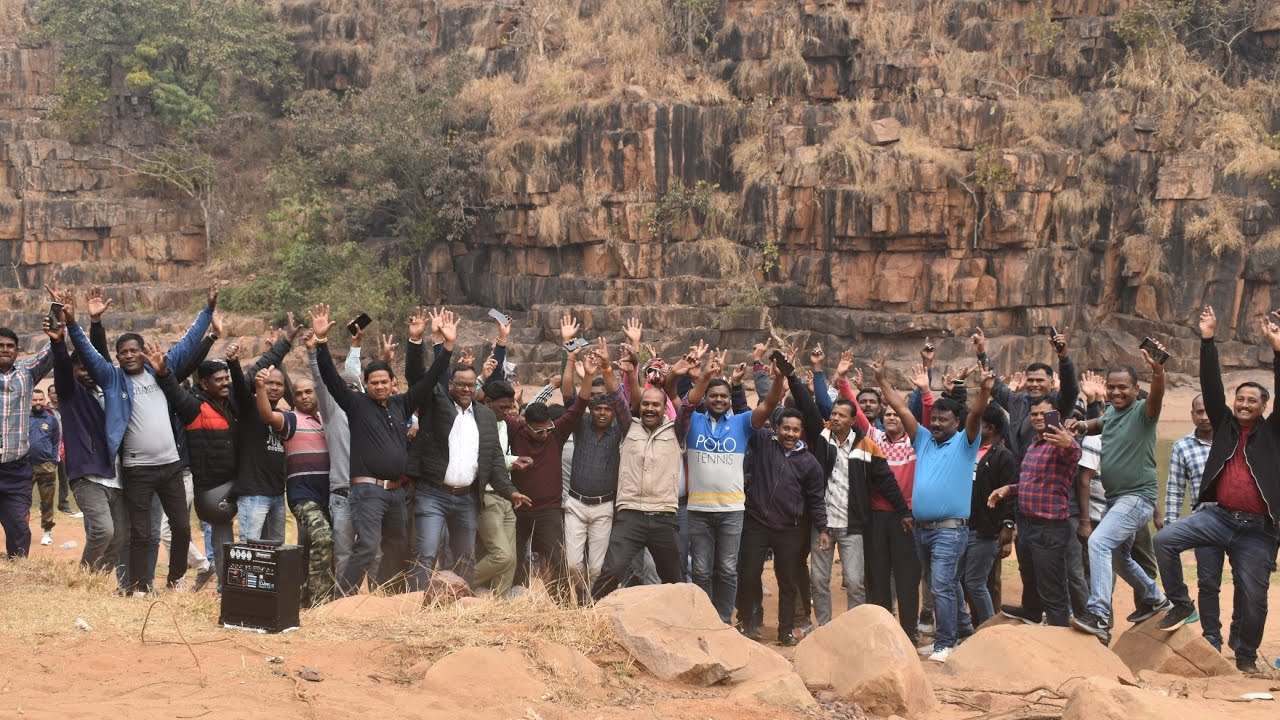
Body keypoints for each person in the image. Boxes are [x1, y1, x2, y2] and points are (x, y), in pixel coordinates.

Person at [63, 284, 215, 593]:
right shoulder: (113, 378)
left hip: (171, 466)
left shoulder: (161, 370)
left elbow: (187, 344)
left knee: (183, 527)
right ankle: (138, 585)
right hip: (137, 470)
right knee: (142, 533)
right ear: (118, 358)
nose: (130, 355)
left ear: (144, 352)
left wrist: (208, 310)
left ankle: (174, 580)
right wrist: (77, 323)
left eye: (135, 350)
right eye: (124, 353)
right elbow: (92, 356)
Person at [1152, 308, 1280, 674]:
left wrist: (1278, 350)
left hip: (1257, 529)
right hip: (1217, 517)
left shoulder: (1272, 434)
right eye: (1240, 399)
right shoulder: (1223, 424)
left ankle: (1244, 655)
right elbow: (1210, 385)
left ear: (1264, 407)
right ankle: (1180, 603)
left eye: (1251, 401)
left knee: (1254, 597)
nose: (1243, 404)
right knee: (1165, 541)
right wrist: (1207, 340)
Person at [312, 303, 455, 596]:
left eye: (384, 382)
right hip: (368, 491)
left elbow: (428, 381)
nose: (379, 387)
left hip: (396, 492)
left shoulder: (401, 404)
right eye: (373, 382)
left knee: (397, 545)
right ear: (366, 384)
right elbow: (329, 377)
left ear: (392, 384)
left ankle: (388, 598)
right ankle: (343, 599)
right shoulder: (355, 404)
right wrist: (322, 342)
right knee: (366, 546)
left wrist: (448, 347)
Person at [875, 358, 993, 663]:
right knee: (945, 583)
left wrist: (984, 390)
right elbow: (901, 409)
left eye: (943, 420)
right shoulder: (924, 440)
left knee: (940, 585)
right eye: (934, 419)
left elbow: (977, 413)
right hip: (922, 530)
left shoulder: (966, 443)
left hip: (950, 530)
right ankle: (964, 629)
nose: (937, 424)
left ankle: (944, 643)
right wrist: (881, 379)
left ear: (956, 422)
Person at [407, 308, 529, 590]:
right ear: (450, 385)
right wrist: (419, 343)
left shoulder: (485, 417)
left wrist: (511, 491)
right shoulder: (436, 406)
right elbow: (417, 379)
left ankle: (456, 607)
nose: (465, 389)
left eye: (470, 385)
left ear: (477, 387)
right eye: (459, 384)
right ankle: (413, 607)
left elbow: (495, 463)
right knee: (425, 553)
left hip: (466, 499)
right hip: (433, 494)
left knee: (465, 558)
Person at [672, 347, 783, 624]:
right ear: (706, 398)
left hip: (732, 510)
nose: (719, 399)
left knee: (727, 569)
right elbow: (678, 398)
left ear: (729, 400)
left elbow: (768, 405)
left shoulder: (742, 423)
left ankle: (723, 621)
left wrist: (779, 380)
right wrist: (703, 378)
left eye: (723, 396)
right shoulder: (692, 421)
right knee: (700, 570)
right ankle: (702, 619)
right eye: (713, 395)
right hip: (698, 510)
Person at [1069, 343, 1171, 645]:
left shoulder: (1144, 412)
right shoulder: (1112, 413)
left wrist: (1158, 370)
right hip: (1119, 500)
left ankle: (1098, 614)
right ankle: (1155, 599)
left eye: (1123, 388)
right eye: (1111, 387)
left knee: (1098, 542)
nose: (1116, 392)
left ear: (1135, 389)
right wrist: (1080, 425)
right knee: (1119, 557)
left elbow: (1158, 395)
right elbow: (1100, 423)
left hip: (1137, 497)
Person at [836, 362, 926, 643]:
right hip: (876, 517)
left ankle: (909, 632)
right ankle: (883, 633)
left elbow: (911, 411)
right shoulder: (873, 439)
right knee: (877, 577)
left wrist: (885, 381)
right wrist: (843, 382)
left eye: (895, 415)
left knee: (907, 578)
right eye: (887, 415)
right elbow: (858, 413)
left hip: (905, 518)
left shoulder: (914, 442)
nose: (891, 418)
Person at [735, 396, 828, 646]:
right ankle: (746, 622)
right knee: (748, 574)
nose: (790, 434)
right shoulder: (764, 442)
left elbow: (816, 500)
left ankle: (785, 631)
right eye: (786, 428)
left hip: (789, 529)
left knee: (788, 582)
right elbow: (749, 414)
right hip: (756, 522)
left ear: (801, 432)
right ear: (777, 429)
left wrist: (822, 528)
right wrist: (736, 388)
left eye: (795, 430)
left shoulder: (810, 463)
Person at [508, 353, 595, 604]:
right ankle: (517, 599)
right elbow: (504, 413)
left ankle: (563, 604)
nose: (546, 433)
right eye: (540, 430)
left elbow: (579, 406)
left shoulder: (556, 433)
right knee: (514, 555)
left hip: (549, 510)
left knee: (557, 558)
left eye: (548, 427)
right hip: (519, 507)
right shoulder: (516, 430)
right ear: (526, 426)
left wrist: (587, 376)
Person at [989, 397, 1082, 627]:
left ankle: (1058, 628)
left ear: (1056, 417)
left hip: (1049, 527)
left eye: (1044, 414)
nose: (1038, 418)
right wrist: (1008, 490)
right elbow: (1031, 483)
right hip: (1028, 523)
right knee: (1028, 574)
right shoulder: (1033, 445)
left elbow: (1074, 454)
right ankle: (1030, 611)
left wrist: (1067, 442)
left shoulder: (1060, 444)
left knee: (1051, 584)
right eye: (1034, 414)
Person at [154, 345, 236, 592]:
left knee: (174, 528)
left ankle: (218, 574)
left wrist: (284, 344)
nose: (225, 383)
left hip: (232, 482)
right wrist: (163, 373)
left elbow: (250, 378)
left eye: (227, 379)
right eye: (218, 380)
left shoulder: (233, 404)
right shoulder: (192, 407)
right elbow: (173, 390)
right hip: (197, 480)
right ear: (203, 385)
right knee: (173, 528)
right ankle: (210, 573)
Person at [590, 386, 685, 600]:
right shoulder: (628, 427)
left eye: (655, 405)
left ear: (664, 408)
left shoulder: (676, 431)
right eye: (645, 404)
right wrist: (606, 367)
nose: (649, 409)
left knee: (674, 577)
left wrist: (703, 378)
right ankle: (588, 618)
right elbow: (616, 396)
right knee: (612, 571)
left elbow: (688, 407)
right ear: (639, 407)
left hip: (663, 516)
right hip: (630, 515)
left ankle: (681, 625)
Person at [255, 361, 334, 606]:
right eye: (298, 393)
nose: (303, 396)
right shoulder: (290, 420)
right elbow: (267, 415)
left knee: (311, 545)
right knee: (323, 537)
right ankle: (320, 600)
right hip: (302, 495)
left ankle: (300, 598)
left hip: (330, 495)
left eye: (308, 391)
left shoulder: (328, 420)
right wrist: (260, 387)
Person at [49, 316, 121, 571]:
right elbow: (62, 370)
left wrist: (97, 323)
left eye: (92, 368)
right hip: (88, 475)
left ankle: (97, 581)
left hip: (118, 475)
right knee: (103, 530)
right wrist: (59, 343)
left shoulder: (112, 393)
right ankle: (83, 576)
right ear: (74, 371)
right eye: (81, 368)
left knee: (119, 537)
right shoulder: (71, 395)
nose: (88, 373)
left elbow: (103, 359)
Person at [563, 338, 630, 596]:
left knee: (597, 568)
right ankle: (581, 597)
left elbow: (624, 402)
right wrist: (580, 369)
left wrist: (606, 369)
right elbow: (570, 396)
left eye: (607, 409)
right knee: (572, 564)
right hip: (576, 505)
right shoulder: (581, 426)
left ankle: (591, 609)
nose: (602, 413)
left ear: (613, 412)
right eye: (597, 409)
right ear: (590, 411)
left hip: (604, 507)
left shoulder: (621, 431)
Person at [305, 322, 365, 580]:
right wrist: (313, 351)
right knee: (342, 553)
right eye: (346, 389)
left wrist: (356, 348)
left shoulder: (369, 414)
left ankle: (372, 603)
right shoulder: (332, 412)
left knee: (372, 552)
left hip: (370, 493)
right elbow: (321, 381)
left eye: (355, 389)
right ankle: (342, 602)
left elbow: (355, 373)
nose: (350, 393)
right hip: (341, 494)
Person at [231, 325, 299, 542]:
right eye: (269, 383)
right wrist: (233, 363)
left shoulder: (282, 416)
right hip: (253, 494)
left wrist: (284, 345)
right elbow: (240, 388)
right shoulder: (248, 407)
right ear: (260, 384)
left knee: (275, 554)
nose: (274, 388)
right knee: (250, 552)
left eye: (279, 385)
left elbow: (294, 396)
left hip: (278, 494)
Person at [971, 327, 1080, 461]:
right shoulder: (1017, 401)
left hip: (1048, 470)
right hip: (1018, 473)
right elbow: (995, 384)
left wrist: (1064, 358)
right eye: (1031, 380)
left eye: (1040, 380)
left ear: (1052, 383)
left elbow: (1071, 389)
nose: (1034, 384)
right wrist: (981, 352)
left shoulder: (1058, 404)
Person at [964, 405, 1017, 629]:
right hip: (964, 526)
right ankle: (966, 626)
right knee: (962, 581)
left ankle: (988, 629)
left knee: (977, 582)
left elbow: (1010, 495)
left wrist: (1008, 526)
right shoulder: (969, 450)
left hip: (987, 529)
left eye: (979, 422)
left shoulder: (1003, 456)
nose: (973, 426)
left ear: (991, 427)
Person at [473, 380, 523, 596]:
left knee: (510, 559)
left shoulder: (504, 425)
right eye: (502, 407)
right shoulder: (474, 424)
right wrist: (514, 460)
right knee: (501, 555)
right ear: (487, 402)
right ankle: (459, 584)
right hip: (487, 495)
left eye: (510, 407)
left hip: (506, 496)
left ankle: (499, 605)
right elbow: (486, 459)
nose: (507, 412)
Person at [28, 387, 61, 547]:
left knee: (47, 501)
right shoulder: (23, 418)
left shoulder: (51, 419)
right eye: (34, 400)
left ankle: (47, 532)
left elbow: (56, 440)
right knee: (21, 501)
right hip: (25, 466)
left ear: (44, 400)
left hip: (46, 466)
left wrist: (54, 459)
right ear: (30, 401)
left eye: (40, 399)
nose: (38, 402)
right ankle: (21, 531)